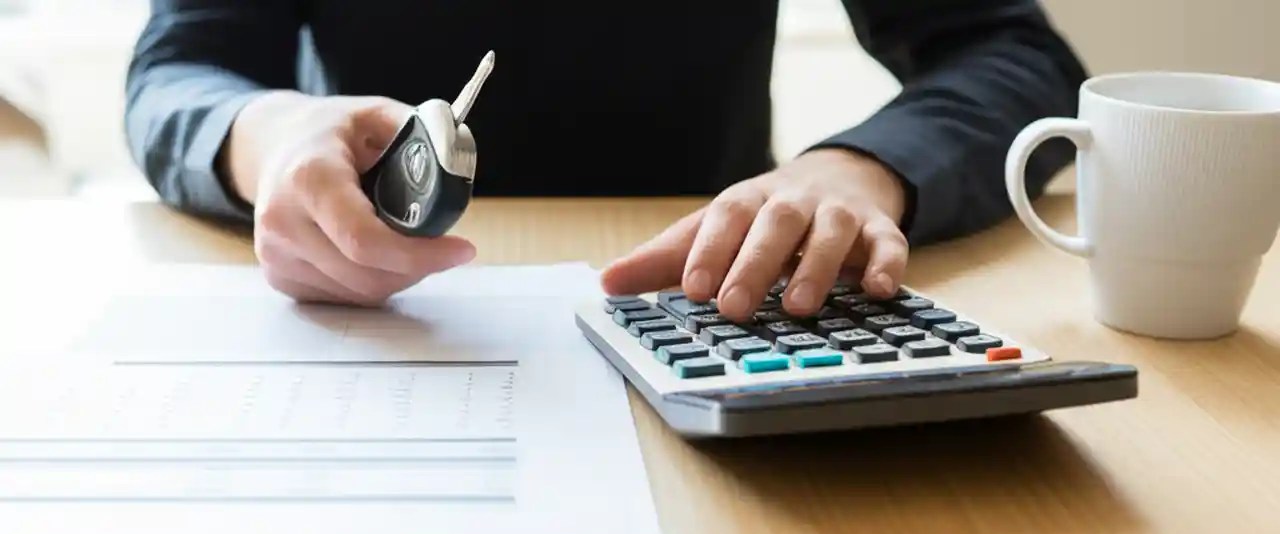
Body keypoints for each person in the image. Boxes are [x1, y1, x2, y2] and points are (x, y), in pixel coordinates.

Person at [125, 1, 1085, 321]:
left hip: (710, 309)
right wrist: (273, 138)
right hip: (374, 320)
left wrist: (858, 168)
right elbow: (180, 69)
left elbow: (1015, 54)